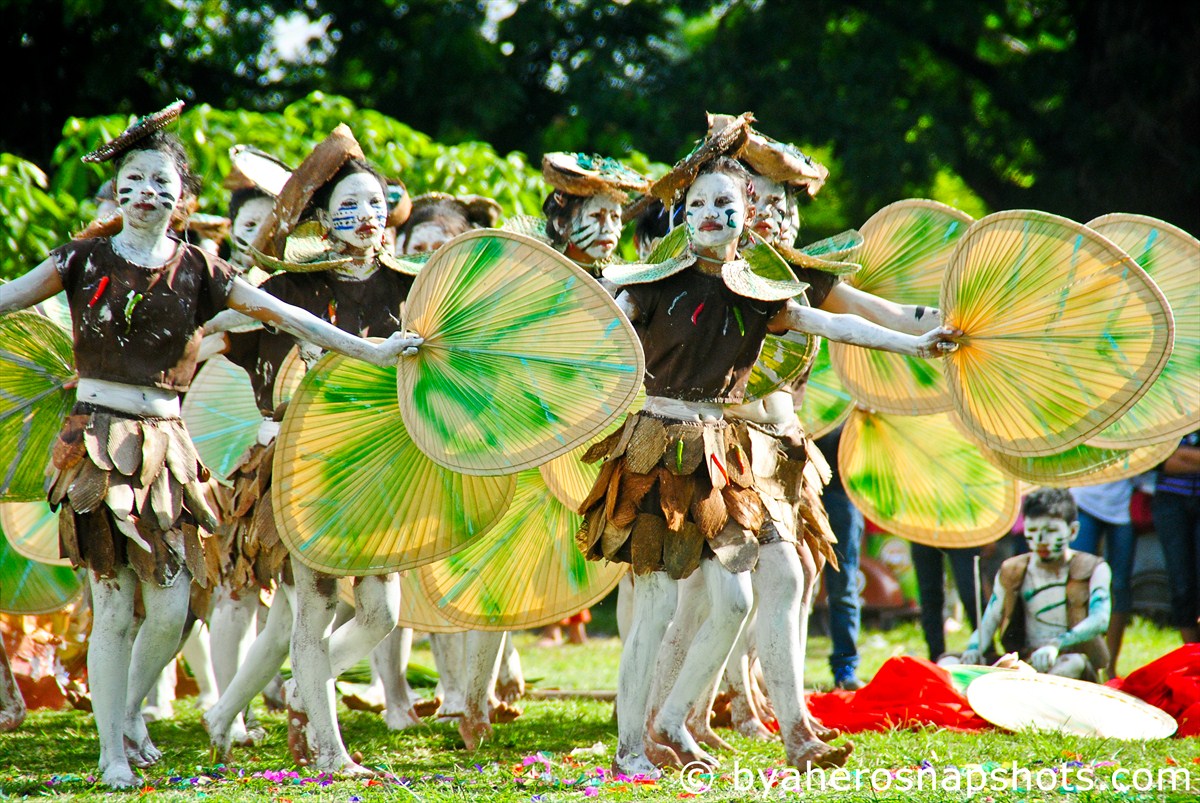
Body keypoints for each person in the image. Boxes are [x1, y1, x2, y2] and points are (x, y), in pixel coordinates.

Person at [0, 106, 419, 789]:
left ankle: (129, 712)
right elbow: (12, 297)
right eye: (134, 180)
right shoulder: (81, 258)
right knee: (113, 602)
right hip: (97, 443)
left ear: (181, 197)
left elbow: (282, 313)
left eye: (162, 182)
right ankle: (111, 752)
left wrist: (369, 349)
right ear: (117, 192)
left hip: (165, 447)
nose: (147, 193)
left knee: (171, 608)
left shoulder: (199, 266)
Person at [581, 148, 958, 776]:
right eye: (696, 205)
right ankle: (630, 751)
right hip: (652, 452)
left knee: (733, 602)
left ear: (744, 214)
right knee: (653, 607)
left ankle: (673, 719)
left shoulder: (762, 294)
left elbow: (837, 326)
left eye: (723, 205)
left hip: (720, 457)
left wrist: (915, 343)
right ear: (682, 214)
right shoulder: (644, 283)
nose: (709, 215)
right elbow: (601, 337)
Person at [961, 488, 1112, 681]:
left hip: (1070, 660)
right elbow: (989, 621)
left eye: (1051, 531)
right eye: (1032, 531)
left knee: (1072, 663)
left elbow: (1100, 619)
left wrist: (1056, 644)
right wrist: (973, 649)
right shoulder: (1012, 569)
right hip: (1024, 661)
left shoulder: (1094, 568)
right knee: (948, 662)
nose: (1041, 541)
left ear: (1073, 531)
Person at [814, 425, 865, 690]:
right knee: (795, 590)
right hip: (801, 491)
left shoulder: (853, 395)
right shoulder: (801, 390)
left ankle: (846, 669)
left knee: (843, 586)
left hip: (843, 497)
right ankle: (784, 667)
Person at [1070, 478, 1137, 675]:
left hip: (1124, 504)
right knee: (1077, 582)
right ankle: (1079, 658)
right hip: (1084, 500)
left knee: (1119, 586)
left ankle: (1110, 667)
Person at [1152, 431, 1200, 644]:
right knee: (1181, 584)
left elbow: (1172, 458)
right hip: (1170, 503)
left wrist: (1179, 456)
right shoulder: (1168, 412)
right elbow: (1158, 460)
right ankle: (1191, 658)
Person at [910, 542, 982, 661]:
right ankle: (936, 657)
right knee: (930, 596)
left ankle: (986, 650)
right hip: (924, 531)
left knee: (971, 594)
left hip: (961, 531)